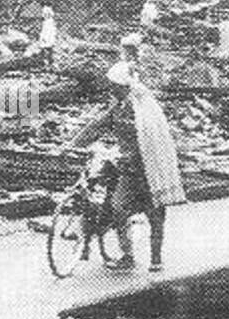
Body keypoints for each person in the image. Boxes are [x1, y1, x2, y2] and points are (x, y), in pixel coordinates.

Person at [73, 62, 185, 272]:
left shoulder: (144, 107)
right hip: (129, 172)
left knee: (156, 216)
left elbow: (153, 139)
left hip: (151, 171)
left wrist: (127, 155)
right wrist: (73, 144)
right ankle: (127, 255)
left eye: (113, 85)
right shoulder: (118, 106)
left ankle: (156, 258)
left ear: (124, 86)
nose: (110, 89)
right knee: (118, 207)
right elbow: (98, 125)